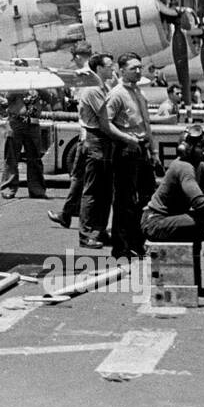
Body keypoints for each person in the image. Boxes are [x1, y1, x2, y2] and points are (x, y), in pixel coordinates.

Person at [140, 124, 204, 302]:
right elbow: (199, 202)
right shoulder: (183, 167)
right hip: (155, 222)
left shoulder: (199, 166)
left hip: (167, 220)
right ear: (186, 148)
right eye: (200, 146)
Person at [105, 52, 159, 258]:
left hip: (142, 149)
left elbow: (146, 124)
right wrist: (127, 139)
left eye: (139, 67)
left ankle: (138, 241)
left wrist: (153, 151)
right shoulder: (117, 93)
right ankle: (121, 246)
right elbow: (106, 123)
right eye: (133, 68)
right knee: (125, 200)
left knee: (146, 197)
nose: (138, 71)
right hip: (126, 149)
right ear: (121, 70)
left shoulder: (139, 92)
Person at [68, 53, 117, 249]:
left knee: (104, 191)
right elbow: (106, 121)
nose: (112, 69)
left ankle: (99, 230)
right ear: (98, 69)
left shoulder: (103, 87)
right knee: (92, 190)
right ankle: (86, 233)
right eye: (109, 66)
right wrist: (126, 138)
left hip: (103, 141)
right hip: (95, 140)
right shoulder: (94, 89)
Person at [49, 41, 96, 229]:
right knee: (83, 178)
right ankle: (70, 213)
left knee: (78, 177)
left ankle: (69, 214)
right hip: (93, 134)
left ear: (77, 56)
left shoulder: (84, 76)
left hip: (86, 134)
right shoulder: (95, 73)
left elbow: (86, 111)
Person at [0, 90, 46, 199]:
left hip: (33, 123)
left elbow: (49, 97)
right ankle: (8, 188)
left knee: (35, 158)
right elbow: (8, 96)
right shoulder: (16, 81)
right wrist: (23, 90)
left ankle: (37, 190)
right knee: (11, 157)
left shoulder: (38, 82)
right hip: (16, 122)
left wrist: (40, 89)